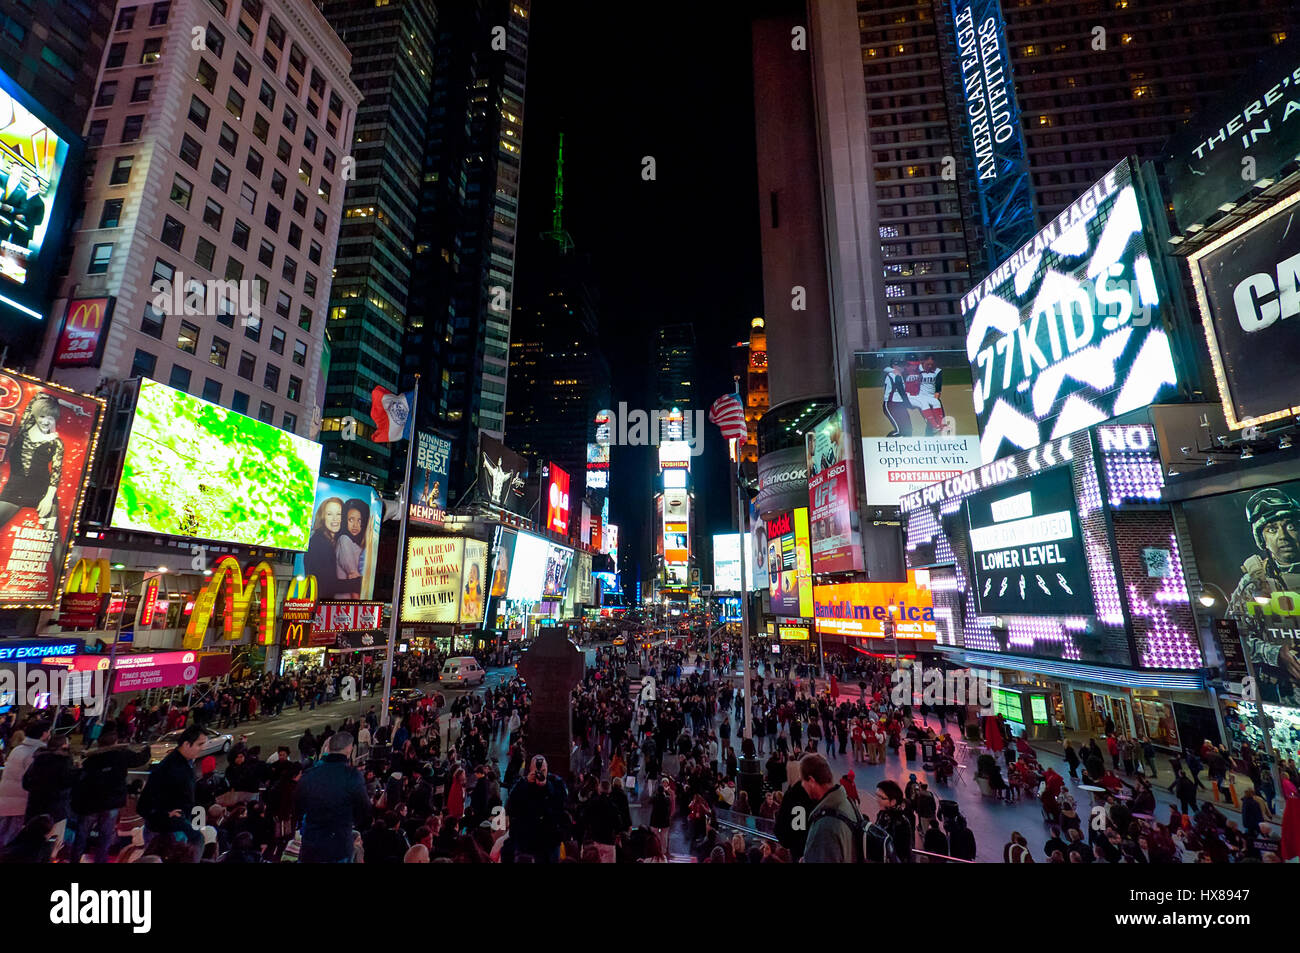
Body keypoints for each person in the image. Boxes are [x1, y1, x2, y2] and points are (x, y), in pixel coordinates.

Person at [70, 728, 150, 863]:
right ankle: (100, 860)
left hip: (91, 802)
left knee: (82, 835)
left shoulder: (91, 759)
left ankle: (75, 858)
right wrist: (147, 749)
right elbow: (140, 759)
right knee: (105, 836)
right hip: (111, 801)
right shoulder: (120, 755)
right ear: (115, 741)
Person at [293, 731, 371, 863]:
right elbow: (364, 811)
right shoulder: (352, 776)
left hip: (311, 845)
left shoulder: (310, 774)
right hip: (338, 846)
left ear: (328, 748)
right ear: (349, 749)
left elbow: (297, 807)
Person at [137, 725, 208, 856]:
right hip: (165, 831)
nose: (204, 748)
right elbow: (143, 806)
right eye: (200, 744)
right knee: (198, 841)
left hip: (177, 826)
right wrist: (165, 814)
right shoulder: (168, 769)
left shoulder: (186, 763)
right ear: (187, 744)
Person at [0, 394, 65, 535]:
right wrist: (67, 404)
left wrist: (48, 498)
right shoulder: (24, 429)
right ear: (35, 415)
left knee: (54, 542)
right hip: (15, 489)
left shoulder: (56, 442)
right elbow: (38, 396)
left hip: (43, 492)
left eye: (51, 418)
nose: (46, 422)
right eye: (42, 416)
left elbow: (56, 473)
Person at [505, 755, 569, 863]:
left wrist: (547, 786)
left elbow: (562, 802)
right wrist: (526, 784)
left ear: (547, 768)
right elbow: (512, 803)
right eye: (537, 771)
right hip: (527, 840)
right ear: (530, 770)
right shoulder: (521, 783)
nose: (540, 774)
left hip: (550, 839)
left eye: (543, 770)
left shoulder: (556, 782)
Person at [799, 755, 860, 863]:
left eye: (802, 781)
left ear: (811, 781)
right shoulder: (847, 803)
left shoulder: (826, 825)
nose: (802, 785)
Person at [22, 734, 77, 851]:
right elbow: (68, 783)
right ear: (64, 746)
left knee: (31, 842)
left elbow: (26, 783)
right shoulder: (64, 762)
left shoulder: (37, 761)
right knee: (52, 843)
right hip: (56, 810)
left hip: (35, 807)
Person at [0, 719, 49, 846]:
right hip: (21, 800)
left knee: (3, 832)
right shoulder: (36, 753)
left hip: (6, 796)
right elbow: (33, 779)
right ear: (44, 734)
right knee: (11, 837)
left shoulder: (18, 749)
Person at [304, 497, 345, 601]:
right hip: (319, 605)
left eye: (339, 514)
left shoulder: (336, 541)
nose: (335, 518)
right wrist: (358, 582)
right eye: (329, 514)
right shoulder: (318, 542)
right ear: (322, 517)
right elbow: (328, 582)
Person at [334, 499, 370, 599]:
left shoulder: (356, 543)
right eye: (351, 520)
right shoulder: (344, 539)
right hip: (346, 603)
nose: (355, 525)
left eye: (359, 520)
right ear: (345, 520)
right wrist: (359, 606)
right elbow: (353, 577)